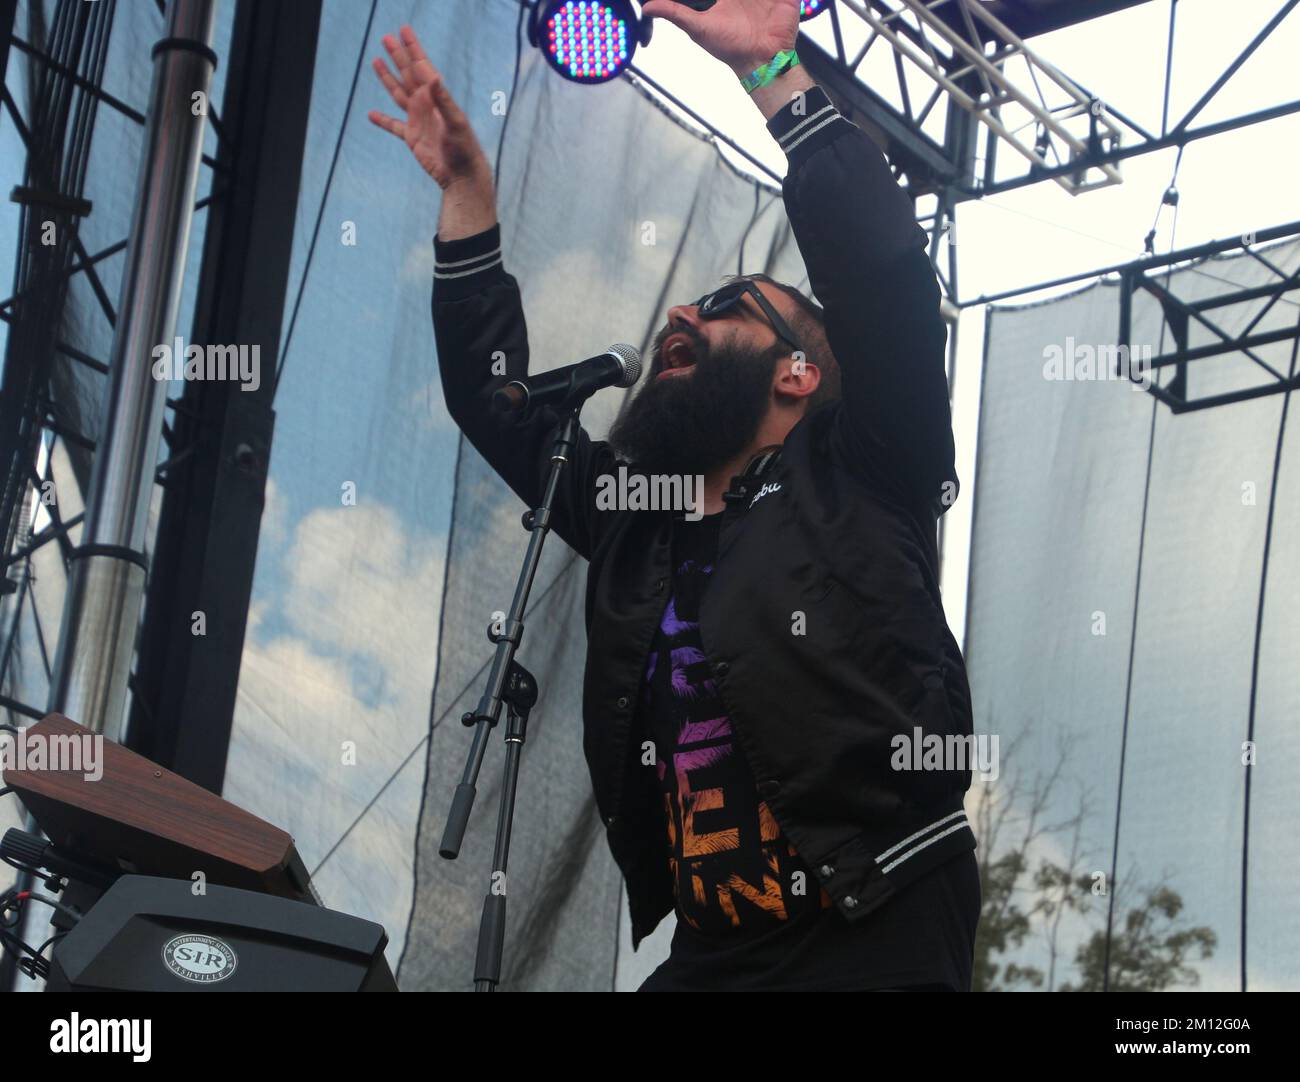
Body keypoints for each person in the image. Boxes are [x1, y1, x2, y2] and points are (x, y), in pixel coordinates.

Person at [370, 0, 980, 992]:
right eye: (691, 304)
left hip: (871, 928)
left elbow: (878, 271)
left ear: (797, 375)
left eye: (730, 306)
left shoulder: (870, 469)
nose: (684, 311)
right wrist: (467, 201)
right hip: (712, 954)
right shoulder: (639, 514)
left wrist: (773, 69)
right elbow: (498, 403)